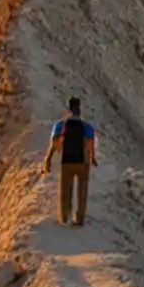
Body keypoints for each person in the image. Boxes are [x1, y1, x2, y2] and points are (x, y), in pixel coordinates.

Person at [42, 96, 97, 226]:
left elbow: (54, 143)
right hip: (82, 163)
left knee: (65, 191)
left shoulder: (61, 125)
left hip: (66, 161)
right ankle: (79, 219)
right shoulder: (87, 126)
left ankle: (64, 217)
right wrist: (93, 158)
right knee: (82, 192)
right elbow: (90, 144)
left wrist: (48, 159)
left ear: (68, 108)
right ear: (80, 109)